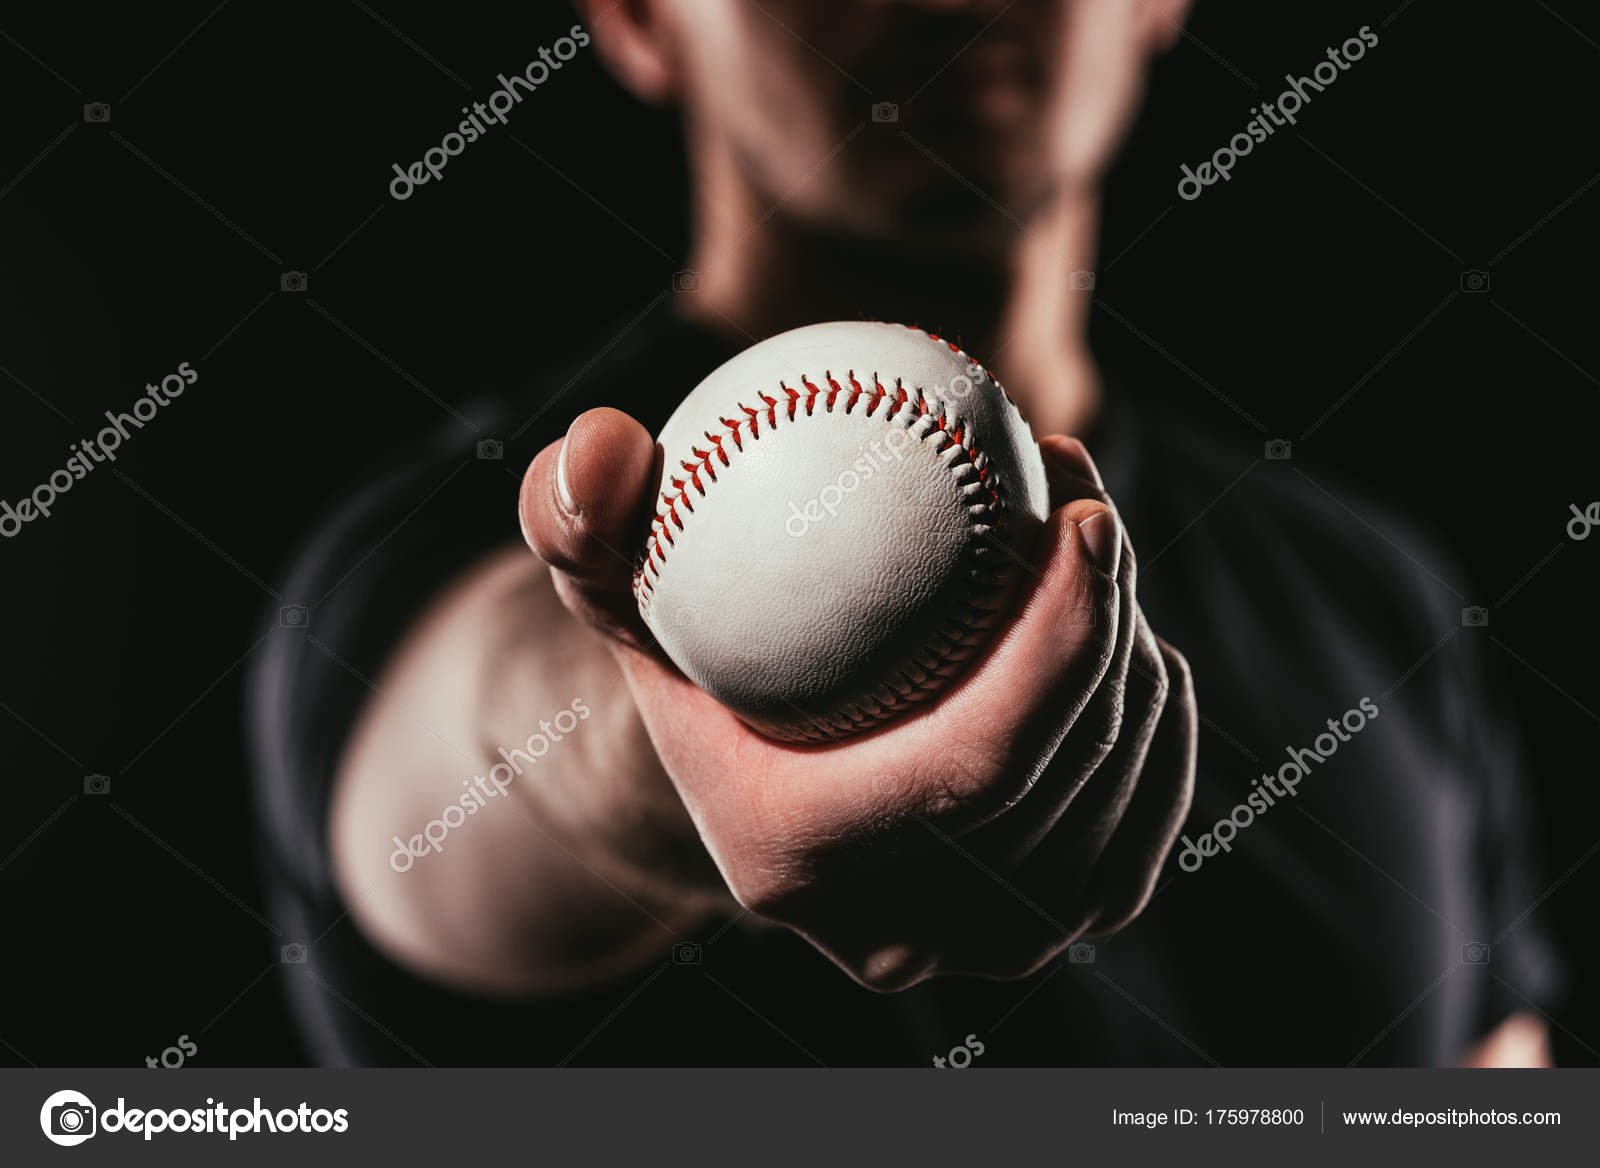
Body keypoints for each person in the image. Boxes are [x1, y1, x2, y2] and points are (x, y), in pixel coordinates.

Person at [249, 0, 1562, 1065]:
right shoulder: (423, 553)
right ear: (644, 22)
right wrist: (665, 740)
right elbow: (481, 765)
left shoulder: (1372, 583)